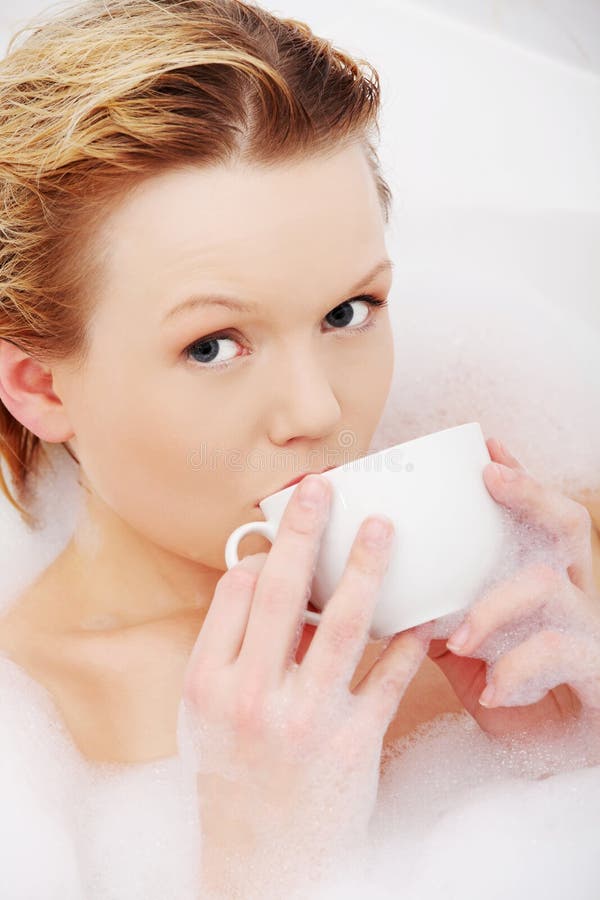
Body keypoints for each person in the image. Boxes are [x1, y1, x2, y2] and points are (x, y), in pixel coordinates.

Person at [0, 0, 599, 895]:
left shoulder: (548, 579)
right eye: (213, 345)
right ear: (42, 387)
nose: (318, 409)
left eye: (348, 312)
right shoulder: (31, 754)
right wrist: (260, 868)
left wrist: (580, 766)